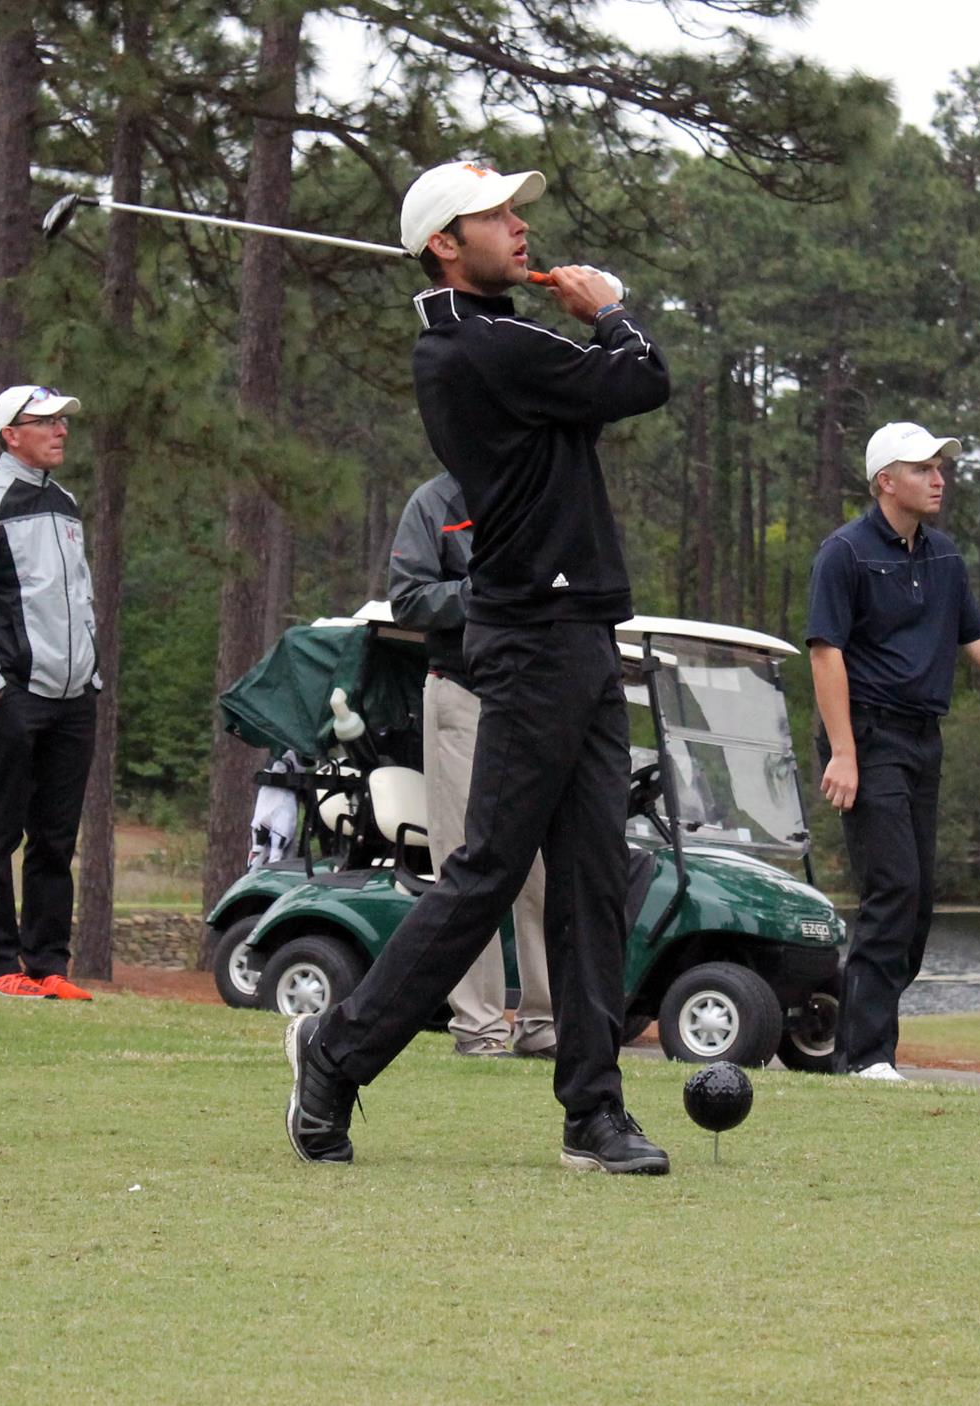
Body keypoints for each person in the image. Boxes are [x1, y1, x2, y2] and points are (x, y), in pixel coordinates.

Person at [285, 159, 669, 1173]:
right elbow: (638, 379)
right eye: (492, 216)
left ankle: (592, 1110)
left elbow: (591, 405)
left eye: (514, 211)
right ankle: (337, 1050)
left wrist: (585, 328)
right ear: (445, 245)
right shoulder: (478, 347)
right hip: (533, 636)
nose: (517, 227)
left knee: (592, 877)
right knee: (490, 870)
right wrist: (611, 311)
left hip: (581, 627)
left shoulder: (501, 342)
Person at [805, 421, 980, 1080]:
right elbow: (825, 655)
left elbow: (978, 640)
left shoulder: (944, 556)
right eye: (923, 467)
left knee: (919, 904)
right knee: (892, 889)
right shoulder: (843, 554)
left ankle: (852, 1040)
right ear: (885, 482)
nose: (938, 478)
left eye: (940, 466)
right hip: (867, 736)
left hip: (922, 739)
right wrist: (842, 752)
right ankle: (866, 1056)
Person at [0, 384, 103, 1002]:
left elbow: (78, 599)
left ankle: (46, 964)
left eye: (63, 420)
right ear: (11, 434)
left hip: (73, 696)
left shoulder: (65, 503)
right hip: (12, 693)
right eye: (47, 422)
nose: (61, 430)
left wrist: (91, 675)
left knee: (57, 838)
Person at [389, 471, 557, 1059]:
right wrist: (484, 591)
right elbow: (406, 598)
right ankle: (480, 1027)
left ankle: (545, 1023)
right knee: (467, 859)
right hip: (461, 692)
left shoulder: (537, 489)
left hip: (532, 695)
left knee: (539, 866)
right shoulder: (433, 502)